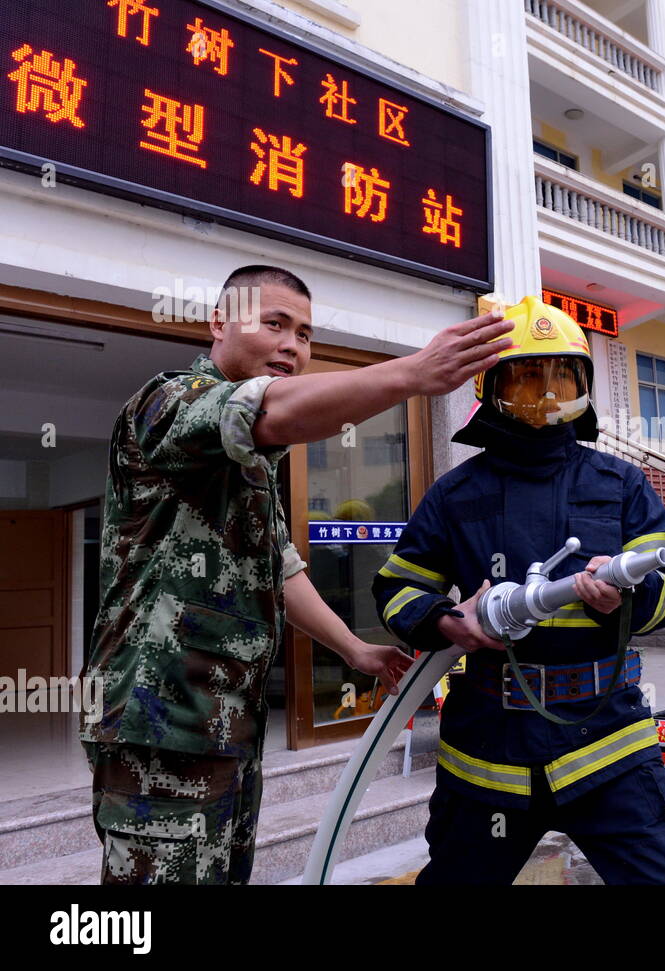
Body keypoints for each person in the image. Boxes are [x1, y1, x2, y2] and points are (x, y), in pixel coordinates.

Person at [79, 265, 513, 884]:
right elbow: (270, 412)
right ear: (219, 324)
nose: (293, 346)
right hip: (161, 726)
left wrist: (357, 650)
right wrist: (412, 374)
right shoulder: (166, 402)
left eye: (305, 334)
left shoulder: (250, 467)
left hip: (226, 726)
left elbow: (281, 570)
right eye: (274, 323)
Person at [373, 295, 665, 885]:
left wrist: (624, 597)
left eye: (561, 378)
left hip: (607, 743)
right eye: (527, 378)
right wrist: (448, 622)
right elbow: (399, 586)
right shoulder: (456, 494)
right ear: (492, 389)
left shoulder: (619, 482)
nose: (547, 395)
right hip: (488, 753)